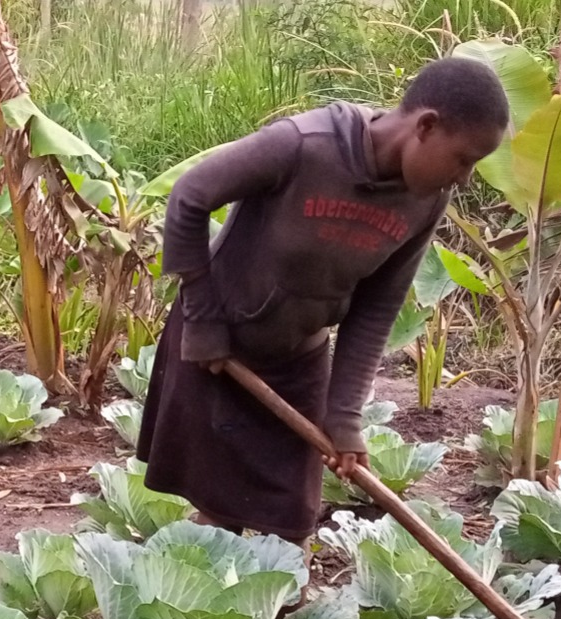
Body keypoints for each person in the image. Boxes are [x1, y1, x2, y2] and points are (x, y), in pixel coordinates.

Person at [138, 57, 509, 549]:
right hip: (217, 343)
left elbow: (377, 307)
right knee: (220, 507)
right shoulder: (304, 145)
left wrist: (345, 417)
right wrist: (203, 319)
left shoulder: (425, 200)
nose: (463, 178)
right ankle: (180, 598)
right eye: (464, 158)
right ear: (426, 125)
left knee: (291, 519)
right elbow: (188, 197)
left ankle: (271, 613)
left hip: (297, 359)